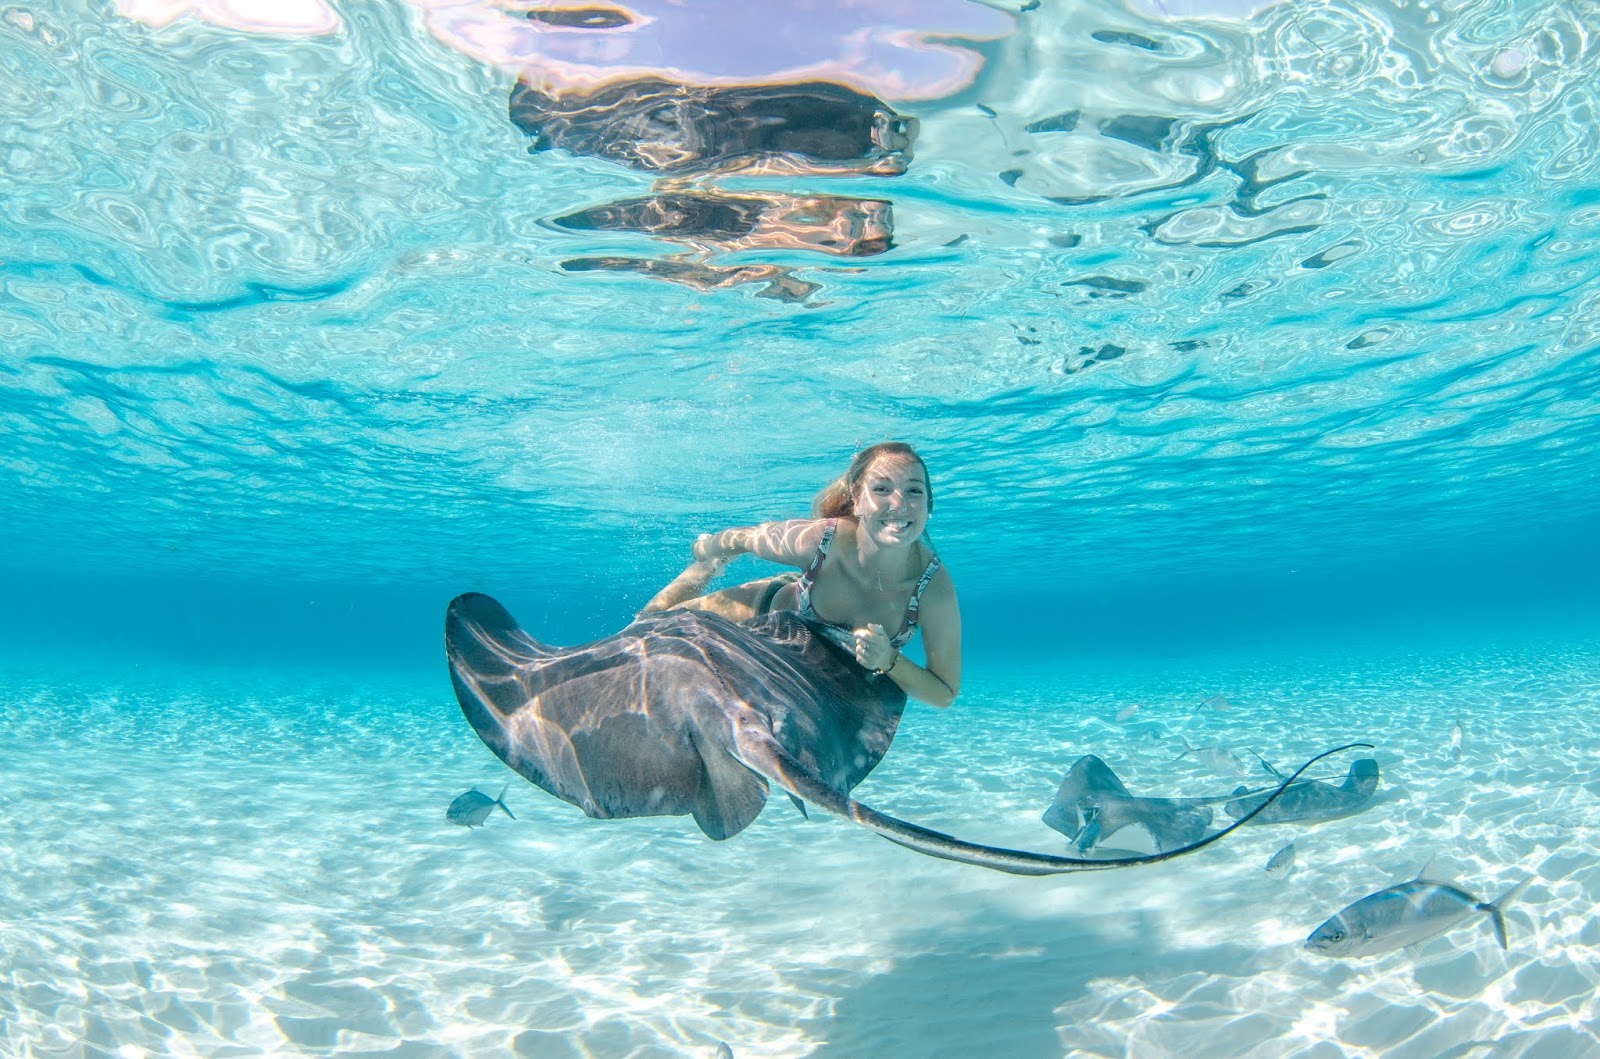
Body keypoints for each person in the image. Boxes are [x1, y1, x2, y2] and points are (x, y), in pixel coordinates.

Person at [641, 442, 960, 708]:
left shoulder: (932, 587)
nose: (899, 503)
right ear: (857, 499)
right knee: (647, 628)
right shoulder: (823, 541)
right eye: (881, 489)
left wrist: (889, 660)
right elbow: (746, 539)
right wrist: (708, 549)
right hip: (759, 615)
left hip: (805, 675)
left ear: (929, 504)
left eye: (914, 491)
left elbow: (943, 693)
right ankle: (702, 572)